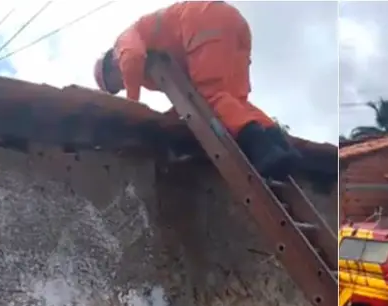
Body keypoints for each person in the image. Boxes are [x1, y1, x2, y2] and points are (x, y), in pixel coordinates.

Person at [93, 1, 301, 179]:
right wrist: (173, 117)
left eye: (114, 84)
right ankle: (279, 145)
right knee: (234, 100)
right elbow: (186, 94)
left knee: (210, 97)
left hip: (203, 23)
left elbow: (133, 58)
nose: (120, 85)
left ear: (109, 65)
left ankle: (262, 149)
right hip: (231, 23)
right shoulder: (151, 68)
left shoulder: (123, 44)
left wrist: (132, 107)